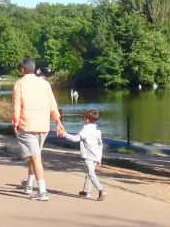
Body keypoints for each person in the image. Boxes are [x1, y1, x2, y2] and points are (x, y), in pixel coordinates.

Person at [12, 57, 64, 201]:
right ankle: (29, 184)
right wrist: (58, 121)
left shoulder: (19, 84)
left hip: (26, 125)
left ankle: (42, 190)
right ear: (33, 69)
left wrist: (15, 122)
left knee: (35, 157)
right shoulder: (44, 83)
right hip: (43, 125)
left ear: (23, 69)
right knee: (34, 156)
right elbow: (52, 103)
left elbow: (16, 105)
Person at [62, 109, 106, 200]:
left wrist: (65, 134)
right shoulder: (97, 131)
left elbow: (75, 139)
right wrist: (99, 158)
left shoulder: (85, 129)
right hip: (96, 155)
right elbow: (100, 145)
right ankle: (86, 191)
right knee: (89, 173)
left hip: (88, 156)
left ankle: (101, 190)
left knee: (90, 173)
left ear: (86, 119)